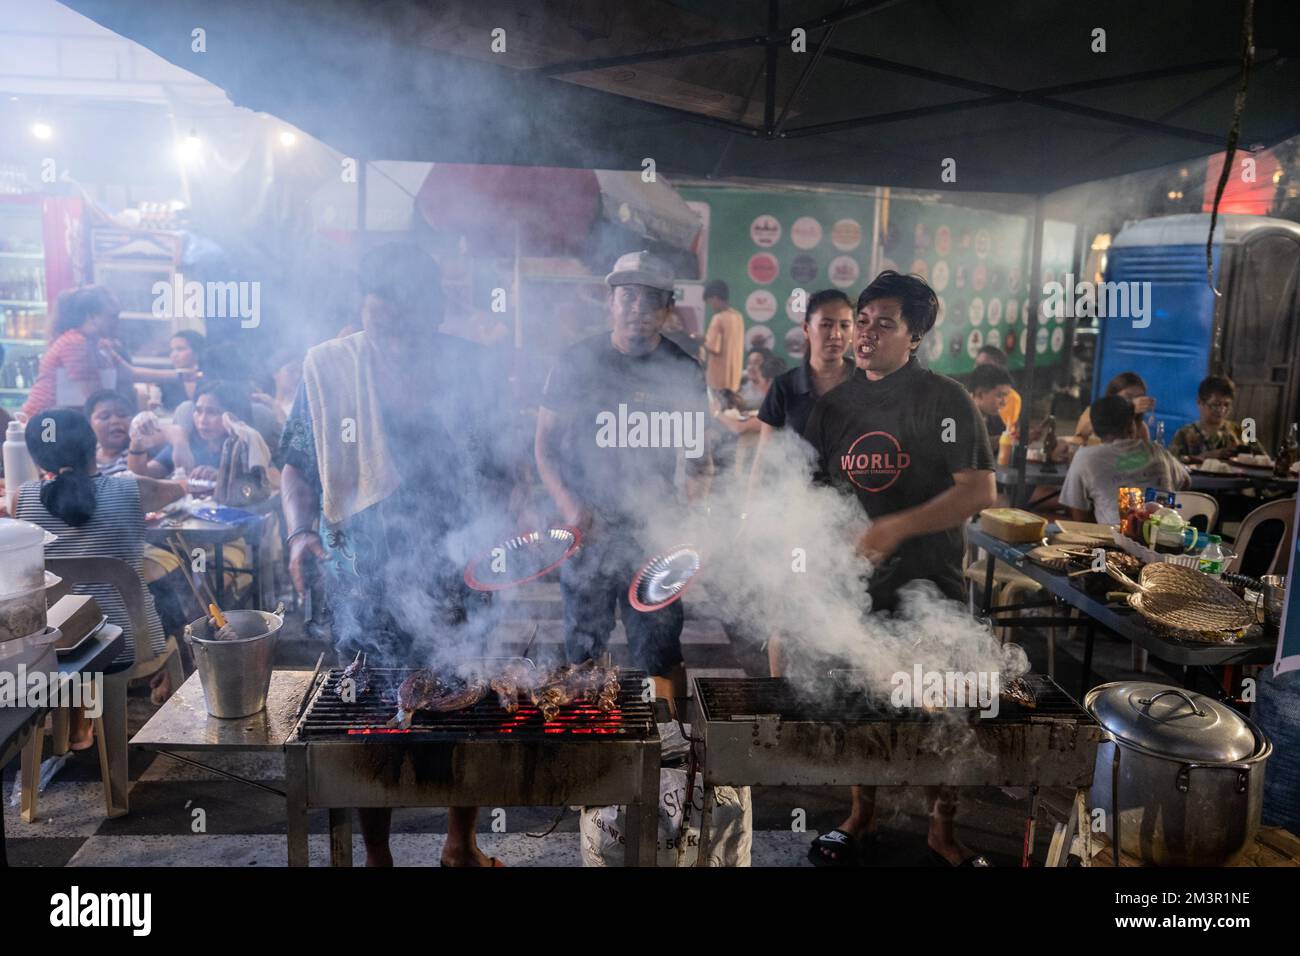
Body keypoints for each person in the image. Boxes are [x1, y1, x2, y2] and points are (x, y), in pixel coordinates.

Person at [279, 241, 516, 867]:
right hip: (363, 576)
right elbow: (297, 466)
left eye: (406, 325)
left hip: (459, 571)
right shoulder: (332, 370)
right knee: (374, 716)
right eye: (380, 324)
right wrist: (301, 535)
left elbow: (504, 470)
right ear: (364, 313)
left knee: (468, 709)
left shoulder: (471, 369)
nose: (392, 340)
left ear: (434, 315)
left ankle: (460, 844)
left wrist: (507, 530)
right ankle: (378, 854)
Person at [802, 270, 997, 867]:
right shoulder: (834, 406)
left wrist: (894, 527)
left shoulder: (945, 400)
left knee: (937, 707)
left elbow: (979, 491)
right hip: (856, 588)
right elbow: (816, 495)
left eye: (883, 324)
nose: (864, 334)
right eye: (862, 321)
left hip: (929, 584)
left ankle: (942, 831)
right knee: (863, 706)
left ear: (915, 337)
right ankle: (861, 814)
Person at [534, 250, 709, 707]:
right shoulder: (575, 363)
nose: (638, 309)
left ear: (668, 310)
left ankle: (671, 753)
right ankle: (589, 753)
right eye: (628, 297)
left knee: (660, 647)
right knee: (584, 648)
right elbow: (545, 447)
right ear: (609, 302)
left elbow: (696, 461)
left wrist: (690, 526)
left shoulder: (684, 372)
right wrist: (570, 506)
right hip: (587, 531)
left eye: (651, 300)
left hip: (654, 533)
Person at [16, 409, 187, 734]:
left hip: (57, 646)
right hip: (128, 644)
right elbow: (180, 487)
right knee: (166, 584)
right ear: (93, 444)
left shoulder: (21, 498)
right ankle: (169, 707)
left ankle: (81, 721)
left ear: (37, 457)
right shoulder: (132, 489)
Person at [1059, 395, 1189, 524]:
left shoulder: (1085, 457)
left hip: (1117, 540)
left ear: (1096, 430)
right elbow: (1185, 481)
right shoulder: (1157, 451)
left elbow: (1078, 515)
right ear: (1131, 425)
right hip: (1168, 535)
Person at [21, 287, 122, 418]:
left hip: (58, 420)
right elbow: (96, 397)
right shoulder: (75, 343)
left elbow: (127, 373)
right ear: (92, 316)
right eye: (112, 316)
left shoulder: (93, 342)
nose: (117, 322)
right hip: (44, 424)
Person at [1169, 375, 1266, 461]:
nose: (1222, 410)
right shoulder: (1184, 434)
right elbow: (1171, 463)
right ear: (1200, 403)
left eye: (1226, 405)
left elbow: (1264, 461)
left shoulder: (1241, 432)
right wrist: (1205, 457)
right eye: (1216, 405)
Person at [1072, 371, 1153, 445]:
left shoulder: (1141, 427)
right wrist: (1127, 409)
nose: (1135, 401)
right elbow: (1079, 439)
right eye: (1128, 396)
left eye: (1139, 398)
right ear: (1113, 394)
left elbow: (1146, 456)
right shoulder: (1094, 413)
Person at [701, 279, 745, 398]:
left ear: (715, 298)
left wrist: (699, 340)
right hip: (734, 379)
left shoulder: (718, 319)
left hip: (718, 380)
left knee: (718, 412)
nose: (711, 306)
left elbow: (713, 348)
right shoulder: (738, 317)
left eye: (710, 302)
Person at [974, 344, 1021, 435]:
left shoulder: (1012, 400)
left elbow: (1011, 434)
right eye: (977, 365)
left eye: (985, 367)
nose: (978, 371)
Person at [157, 331, 207, 409]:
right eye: (172, 350)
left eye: (180, 349)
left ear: (197, 352)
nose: (174, 355)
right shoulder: (165, 382)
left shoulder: (210, 379)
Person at [968, 363, 1016, 442]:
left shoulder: (995, 418)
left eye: (1006, 396)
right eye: (1000, 395)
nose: (1004, 403)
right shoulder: (958, 417)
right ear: (980, 394)